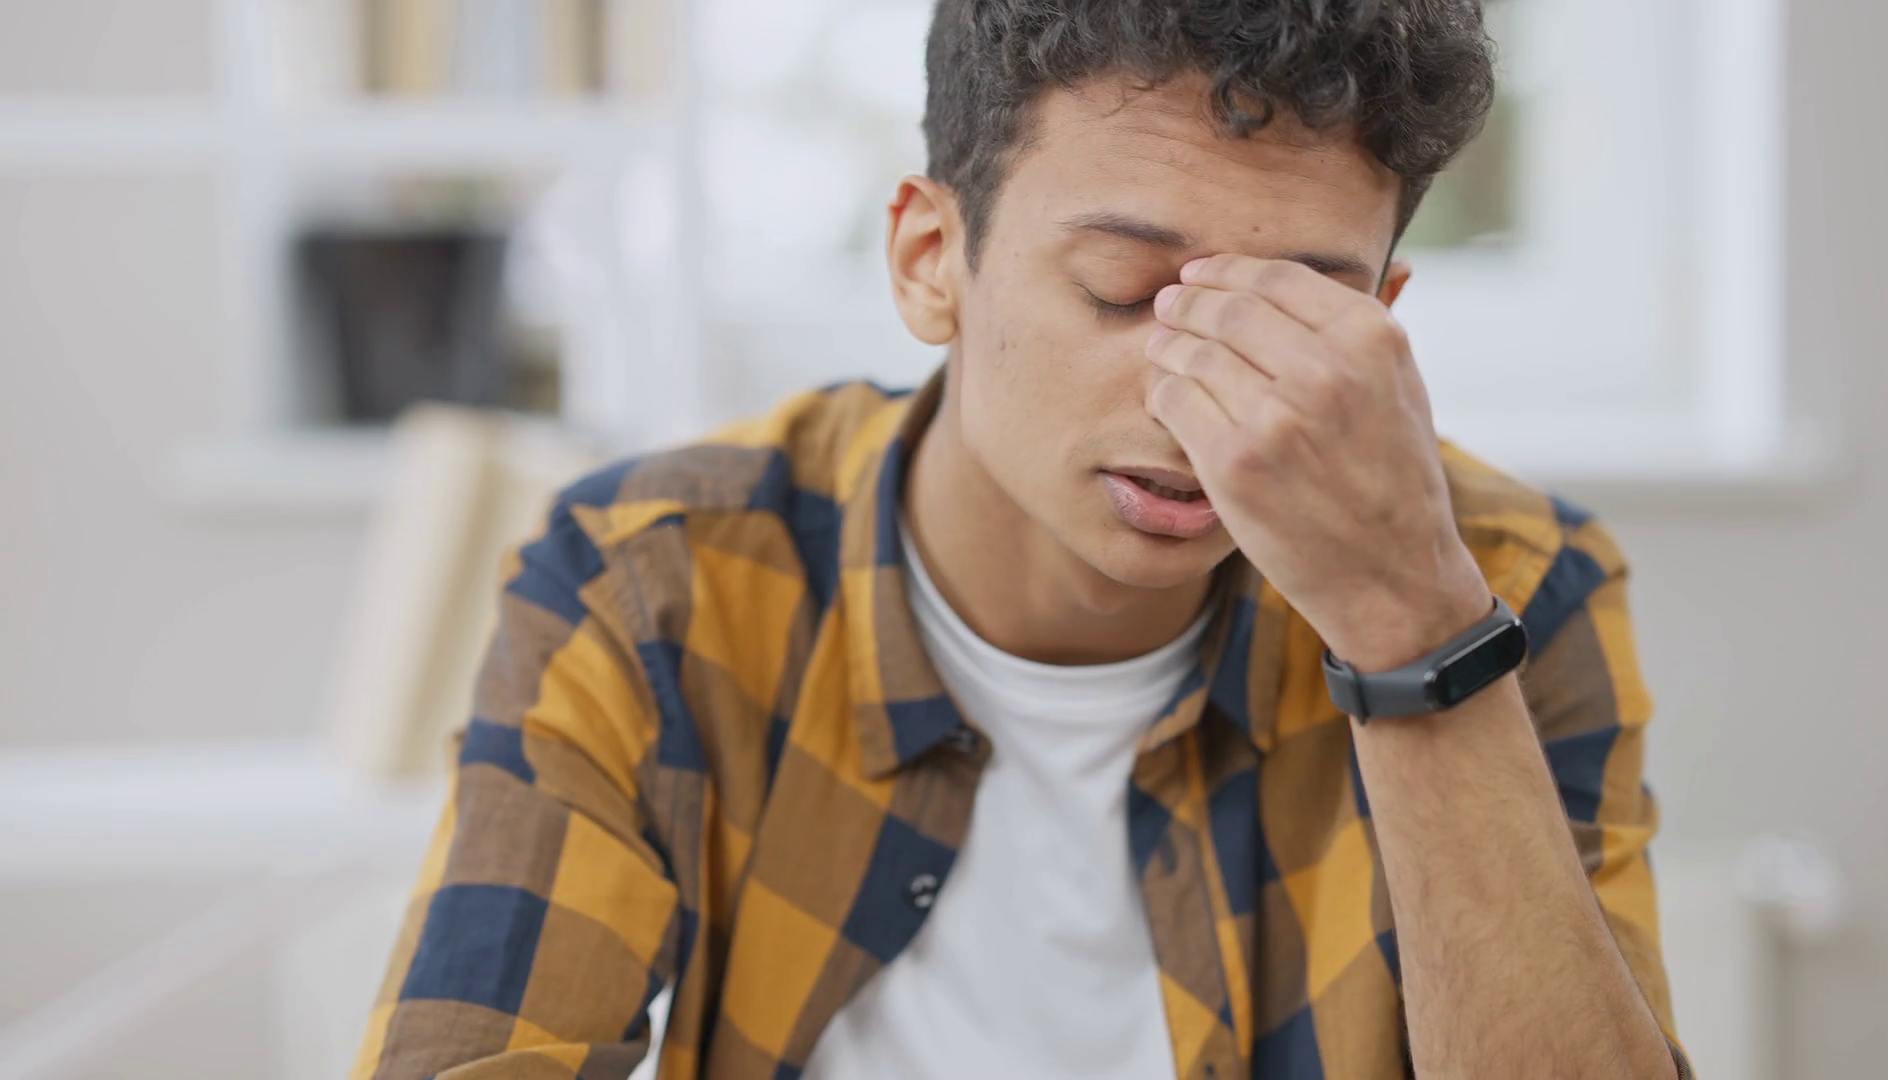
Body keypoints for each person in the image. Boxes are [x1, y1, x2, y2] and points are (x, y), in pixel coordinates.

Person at [352, 1, 1690, 1077]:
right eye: (1124, 293)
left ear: (1385, 314)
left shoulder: (1508, 586)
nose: (1197, 398)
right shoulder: (656, 580)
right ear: (932, 257)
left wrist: (1416, 635)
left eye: (1290, 320)